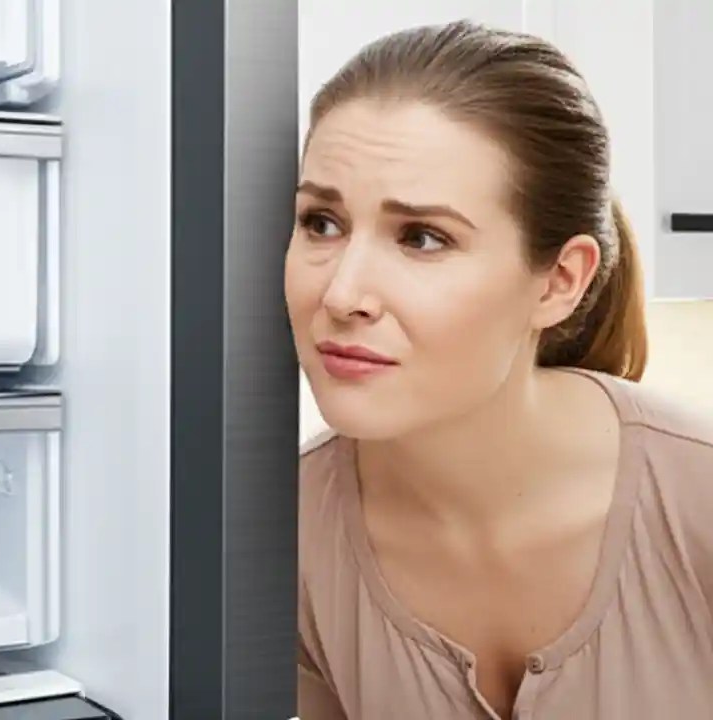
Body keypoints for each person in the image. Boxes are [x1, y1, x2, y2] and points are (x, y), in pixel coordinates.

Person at [288, 20, 713, 720]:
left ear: (559, 282)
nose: (341, 296)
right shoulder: (287, 537)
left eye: (422, 238)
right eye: (321, 223)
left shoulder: (694, 500)